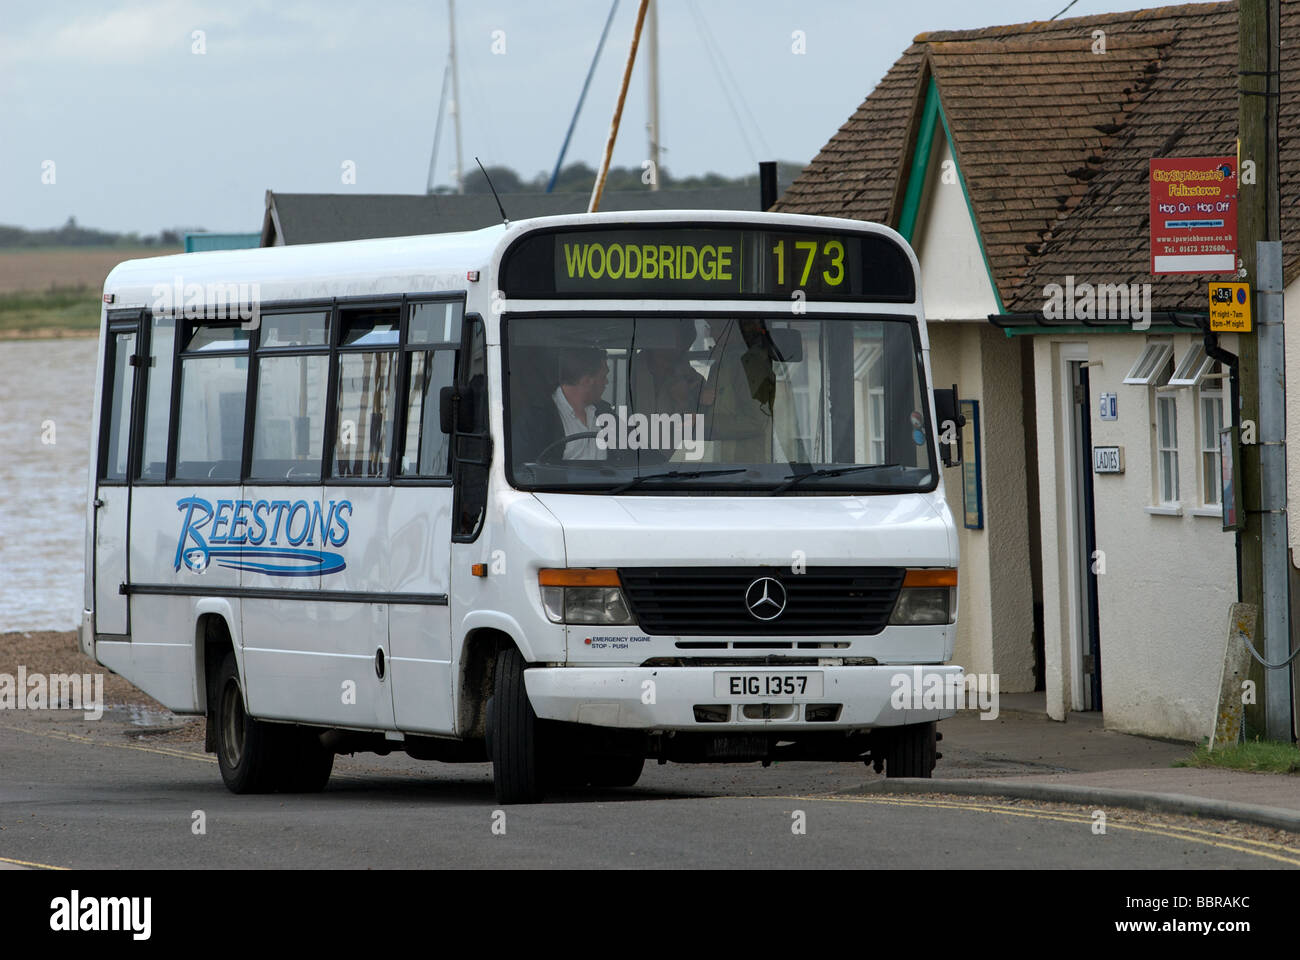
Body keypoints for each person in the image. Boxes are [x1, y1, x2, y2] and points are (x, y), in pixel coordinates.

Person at [516, 347, 611, 462]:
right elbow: (526, 471)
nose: (606, 382)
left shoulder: (605, 412)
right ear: (586, 381)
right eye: (603, 377)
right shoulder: (536, 418)